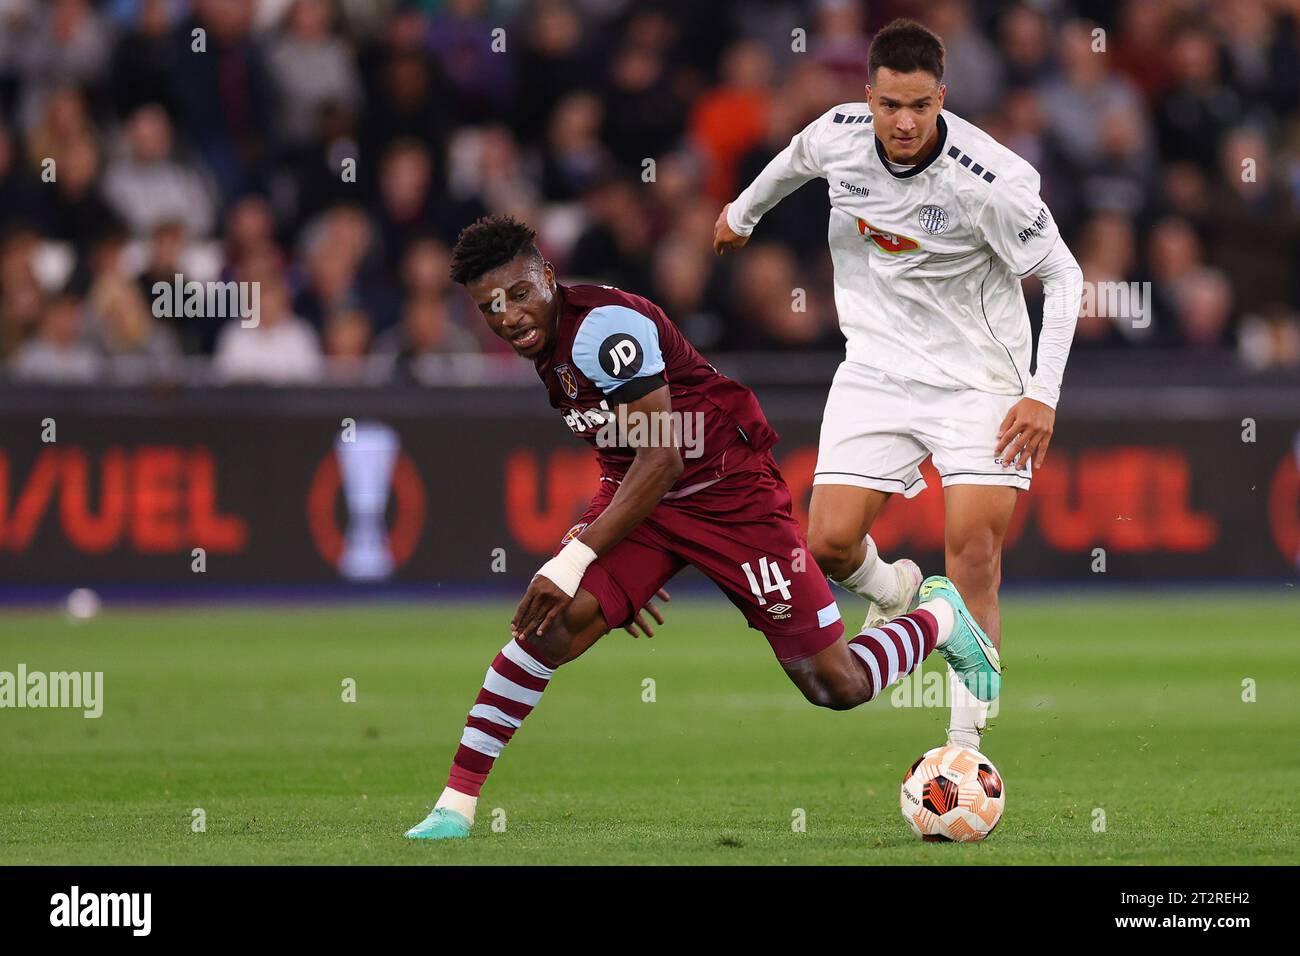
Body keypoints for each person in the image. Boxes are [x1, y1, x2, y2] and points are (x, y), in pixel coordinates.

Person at [403, 214, 1000, 840]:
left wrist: (578, 557)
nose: (509, 317)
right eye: (489, 307)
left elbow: (663, 456)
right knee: (548, 627)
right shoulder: (544, 342)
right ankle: (455, 806)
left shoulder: (603, 332)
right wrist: (623, 567)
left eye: (520, 294)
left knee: (836, 686)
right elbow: (634, 457)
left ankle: (940, 618)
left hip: (728, 492)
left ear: (548, 276)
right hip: (644, 496)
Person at [713, 19, 1083, 752]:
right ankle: (896, 592)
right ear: (869, 96)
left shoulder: (992, 183)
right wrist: (739, 214)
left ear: (941, 97)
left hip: (982, 380)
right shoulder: (839, 133)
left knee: (972, 553)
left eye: (919, 106)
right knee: (826, 541)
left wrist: (1043, 393)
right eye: (890, 105)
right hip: (877, 368)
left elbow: (1065, 276)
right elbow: (791, 160)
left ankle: (964, 751)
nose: (904, 122)